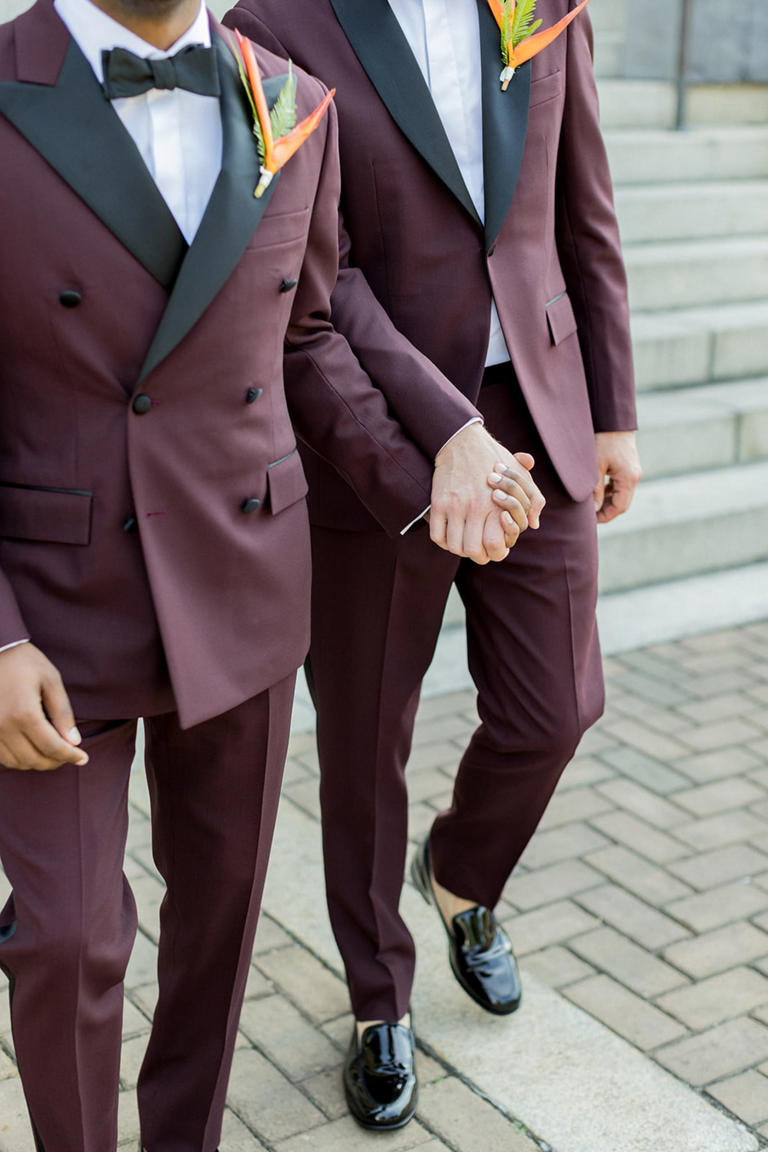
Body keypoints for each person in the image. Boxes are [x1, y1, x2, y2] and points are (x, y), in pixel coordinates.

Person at [0, 0, 542, 1148]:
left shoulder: (291, 100)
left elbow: (307, 332)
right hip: (46, 610)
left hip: (243, 575)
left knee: (219, 928)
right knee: (67, 937)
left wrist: (433, 472)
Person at [226, 0, 642, 1131]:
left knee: (560, 705)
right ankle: (377, 999)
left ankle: (460, 875)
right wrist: (439, 424)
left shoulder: (541, 3)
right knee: (366, 739)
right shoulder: (267, 24)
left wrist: (614, 409)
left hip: (543, 409)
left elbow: (579, 210)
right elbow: (319, 271)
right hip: (378, 424)